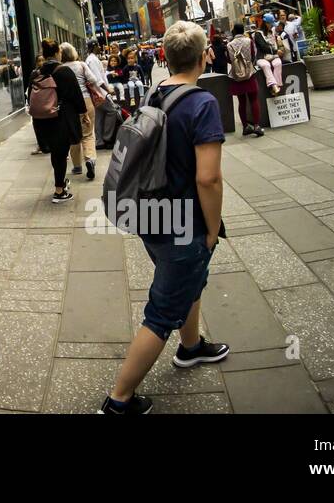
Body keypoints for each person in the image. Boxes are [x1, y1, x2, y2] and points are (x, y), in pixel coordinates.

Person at [101, 21, 229, 414]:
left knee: (190, 281)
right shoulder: (202, 103)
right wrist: (211, 229)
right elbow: (207, 178)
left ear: (165, 57)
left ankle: (190, 348)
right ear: (205, 55)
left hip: (152, 215)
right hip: (184, 222)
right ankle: (119, 400)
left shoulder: (155, 93)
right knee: (161, 312)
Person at [28, 39, 84, 204]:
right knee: (61, 154)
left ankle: (60, 184)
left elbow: (30, 94)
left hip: (41, 119)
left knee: (56, 153)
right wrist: (83, 114)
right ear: (57, 52)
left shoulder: (36, 73)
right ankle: (59, 191)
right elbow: (76, 96)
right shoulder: (64, 71)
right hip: (61, 118)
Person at [61, 43, 99, 180]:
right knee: (88, 134)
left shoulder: (60, 69)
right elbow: (93, 80)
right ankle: (89, 159)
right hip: (86, 101)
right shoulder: (81, 65)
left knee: (73, 135)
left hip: (69, 105)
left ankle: (77, 166)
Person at [226, 22, 264, 137]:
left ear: (234, 31)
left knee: (241, 102)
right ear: (243, 30)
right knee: (254, 100)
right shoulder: (249, 41)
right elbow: (253, 56)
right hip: (249, 74)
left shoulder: (229, 45)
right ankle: (257, 126)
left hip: (236, 76)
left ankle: (245, 126)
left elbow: (228, 60)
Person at [251, 17, 284, 96]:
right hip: (261, 57)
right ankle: (273, 86)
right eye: (271, 24)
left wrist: (280, 44)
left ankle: (277, 86)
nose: (272, 26)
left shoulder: (272, 32)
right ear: (266, 23)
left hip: (274, 56)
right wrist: (276, 51)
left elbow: (277, 44)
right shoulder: (258, 33)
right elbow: (263, 46)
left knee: (278, 63)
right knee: (266, 65)